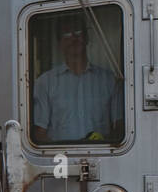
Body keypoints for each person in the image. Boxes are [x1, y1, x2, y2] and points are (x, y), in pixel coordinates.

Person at [31, 15, 123, 144]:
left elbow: (119, 127)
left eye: (78, 32)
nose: (74, 38)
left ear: (86, 38)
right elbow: (39, 133)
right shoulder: (44, 83)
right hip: (61, 161)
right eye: (67, 34)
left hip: (102, 158)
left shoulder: (109, 80)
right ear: (59, 44)